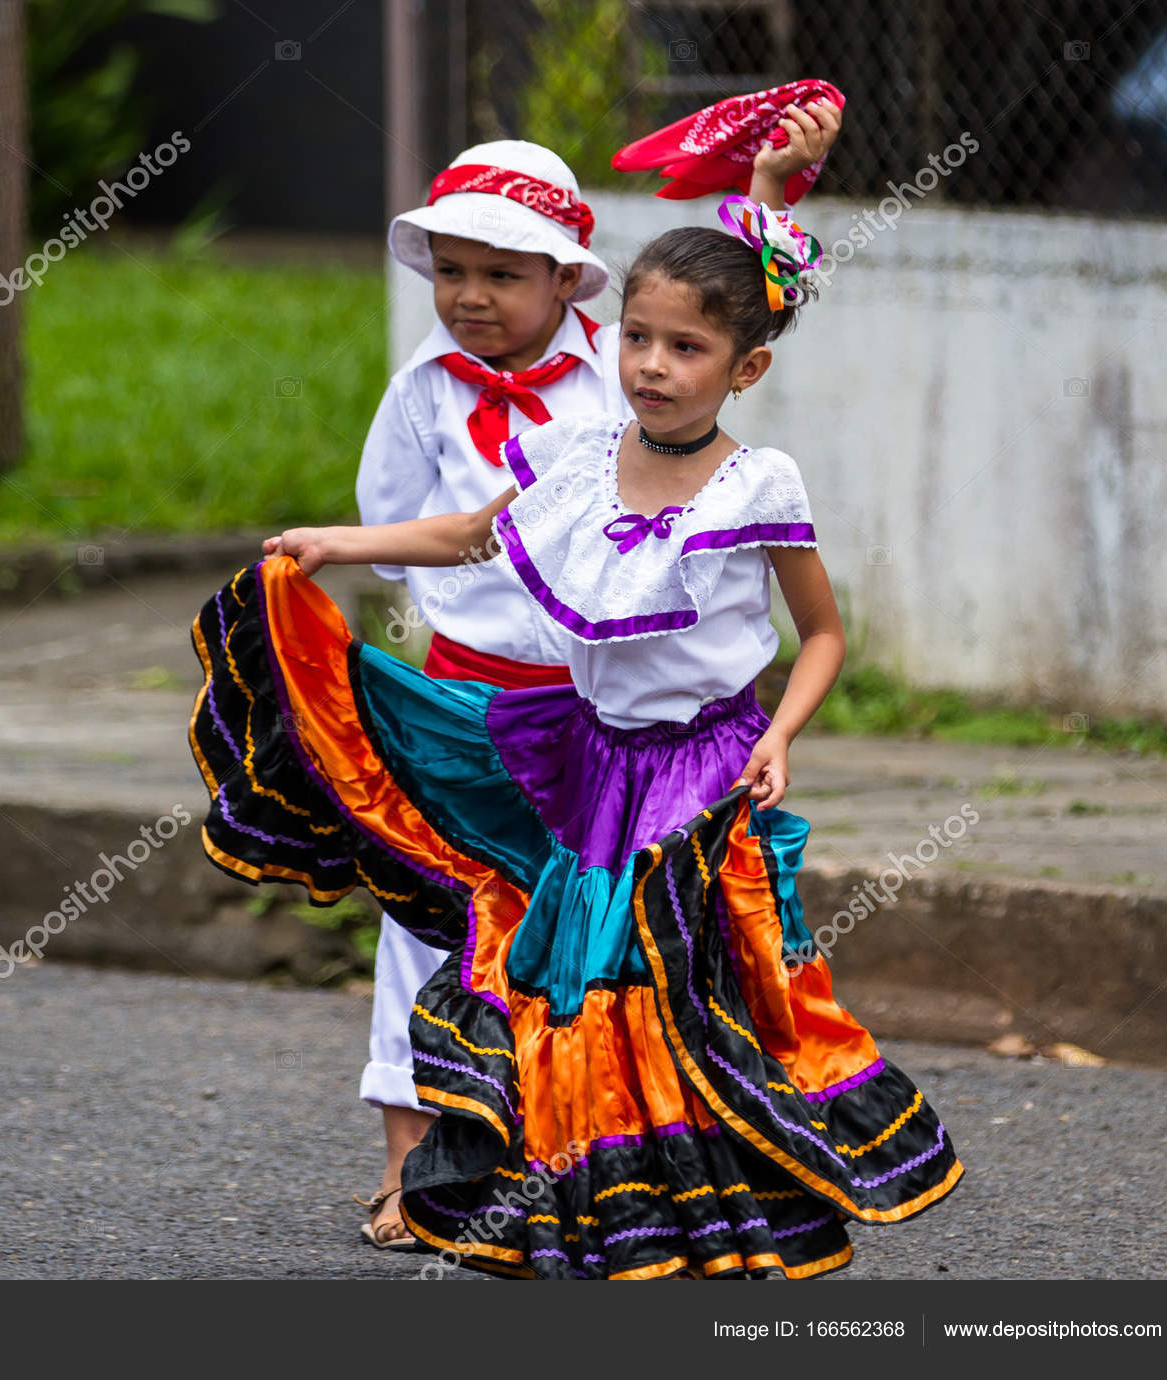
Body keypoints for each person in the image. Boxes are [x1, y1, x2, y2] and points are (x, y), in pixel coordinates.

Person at [190, 184, 960, 1278]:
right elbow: (469, 534)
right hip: (583, 760)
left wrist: (780, 735)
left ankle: (698, 1206)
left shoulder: (759, 484)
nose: (651, 365)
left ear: (745, 368)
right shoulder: (585, 453)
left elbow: (824, 635)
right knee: (568, 985)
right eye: (637, 337)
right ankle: (590, 1208)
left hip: (697, 776)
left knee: (668, 990)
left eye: (686, 348)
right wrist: (333, 543)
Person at [349, 100, 841, 1251]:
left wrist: (767, 193)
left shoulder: (622, 377)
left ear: (567, 281)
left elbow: (731, 302)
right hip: (468, 692)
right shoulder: (422, 387)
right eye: (451, 271)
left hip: (587, 715)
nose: (472, 296)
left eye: (502, 273)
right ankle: (410, 1159)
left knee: (596, 937)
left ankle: (586, 1155)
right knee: (428, 918)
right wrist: (371, 584)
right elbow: (409, 526)